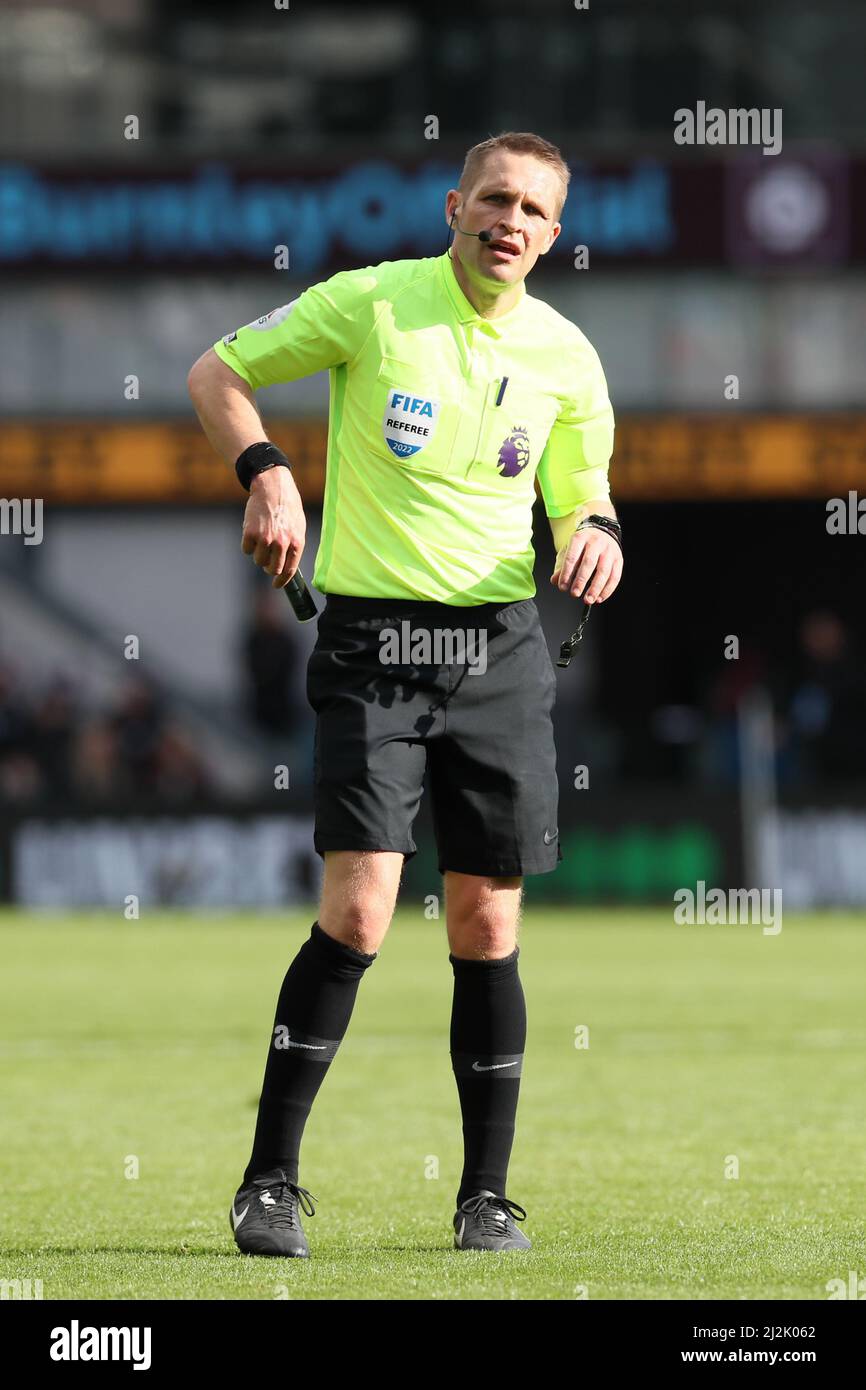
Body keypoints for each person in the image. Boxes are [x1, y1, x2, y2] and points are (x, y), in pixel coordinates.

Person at [188, 130, 623, 1258]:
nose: (507, 221)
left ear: (553, 234)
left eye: (530, 208)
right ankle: (268, 1182)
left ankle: (486, 1198)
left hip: (501, 653)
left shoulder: (568, 356)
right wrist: (266, 472)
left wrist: (598, 538)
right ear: (452, 205)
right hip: (374, 642)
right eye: (491, 198)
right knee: (361, 908)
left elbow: (583, 495)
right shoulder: (373, 304)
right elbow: (215, 371)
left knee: (485, 920)